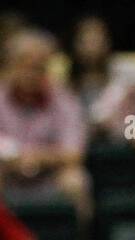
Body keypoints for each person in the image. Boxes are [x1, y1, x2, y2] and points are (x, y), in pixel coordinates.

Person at [0, 28, 89, 222]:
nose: (31, 74)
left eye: (38, 67)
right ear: (10, 66)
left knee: (76, 180)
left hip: (50, 176)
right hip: (7, 175)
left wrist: (36, 157)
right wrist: (14, 160)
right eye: (24, 65)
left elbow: (74, 154)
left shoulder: (64, 99)